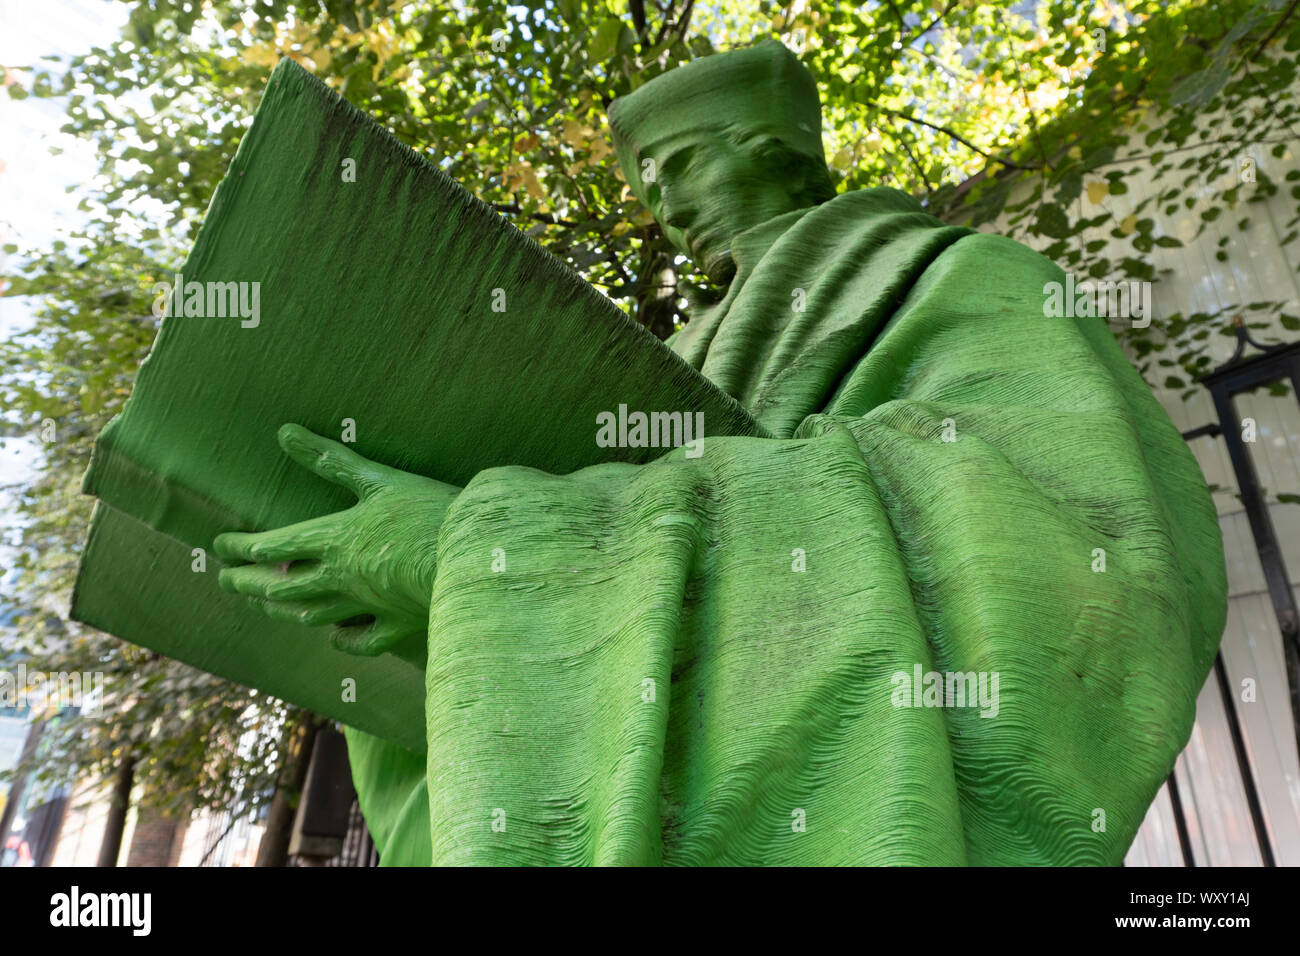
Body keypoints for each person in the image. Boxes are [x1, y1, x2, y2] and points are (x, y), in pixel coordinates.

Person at [215, 40, 1226, 865]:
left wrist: (490, 552)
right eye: (649, 181)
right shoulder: (662, 357)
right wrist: (445, 616)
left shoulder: (965, 277)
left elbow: (1074, 547)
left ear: (777, 148)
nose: (664, 199)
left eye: (685, 162)